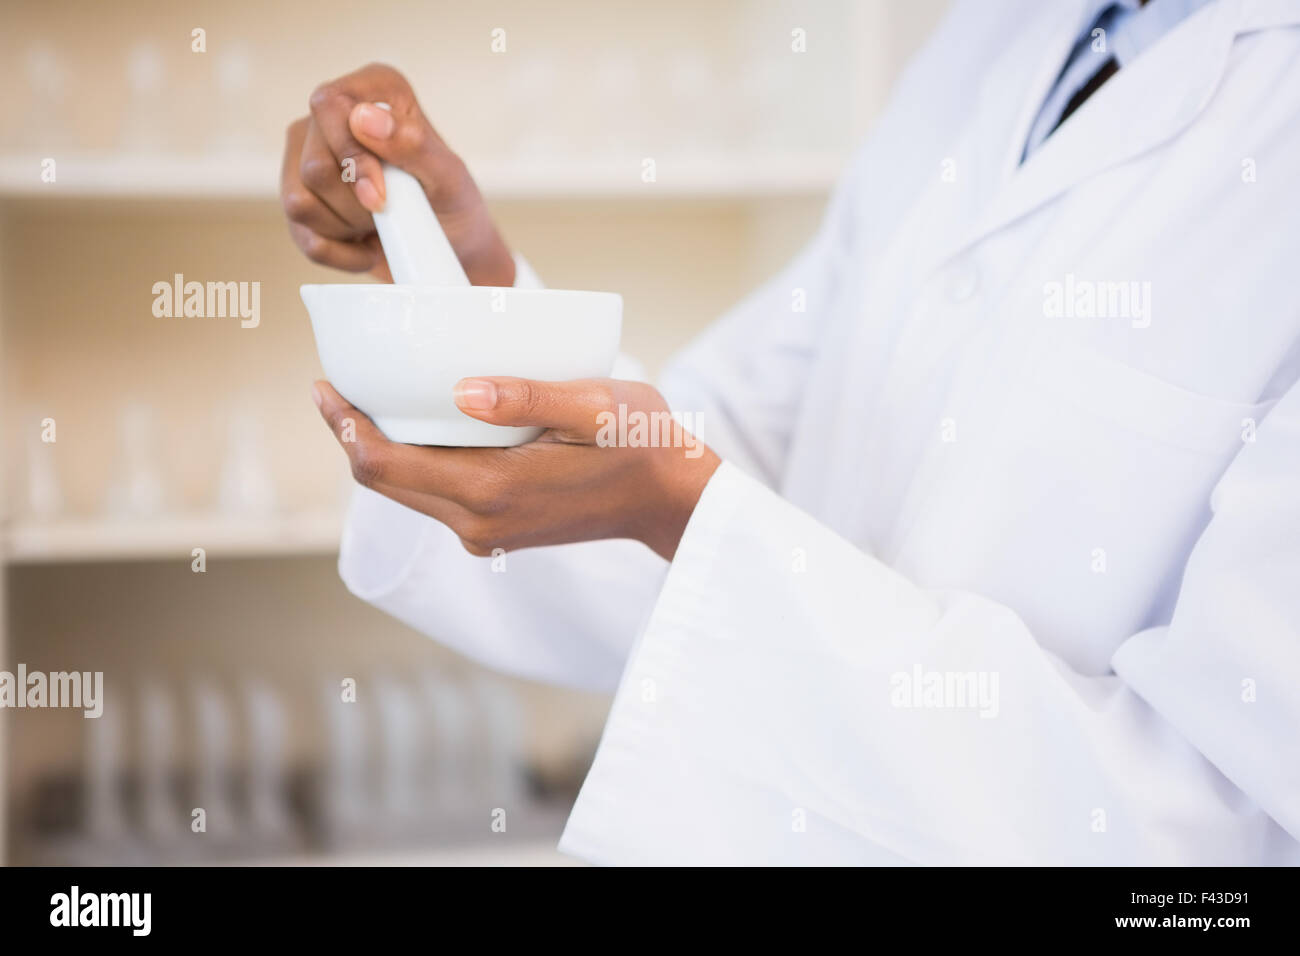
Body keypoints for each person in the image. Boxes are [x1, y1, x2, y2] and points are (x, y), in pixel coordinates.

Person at [280, 0, 1300, 864]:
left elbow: (1222, 827)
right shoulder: (993, 37)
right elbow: (748, 447)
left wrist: (680, 508)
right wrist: (469, 293)